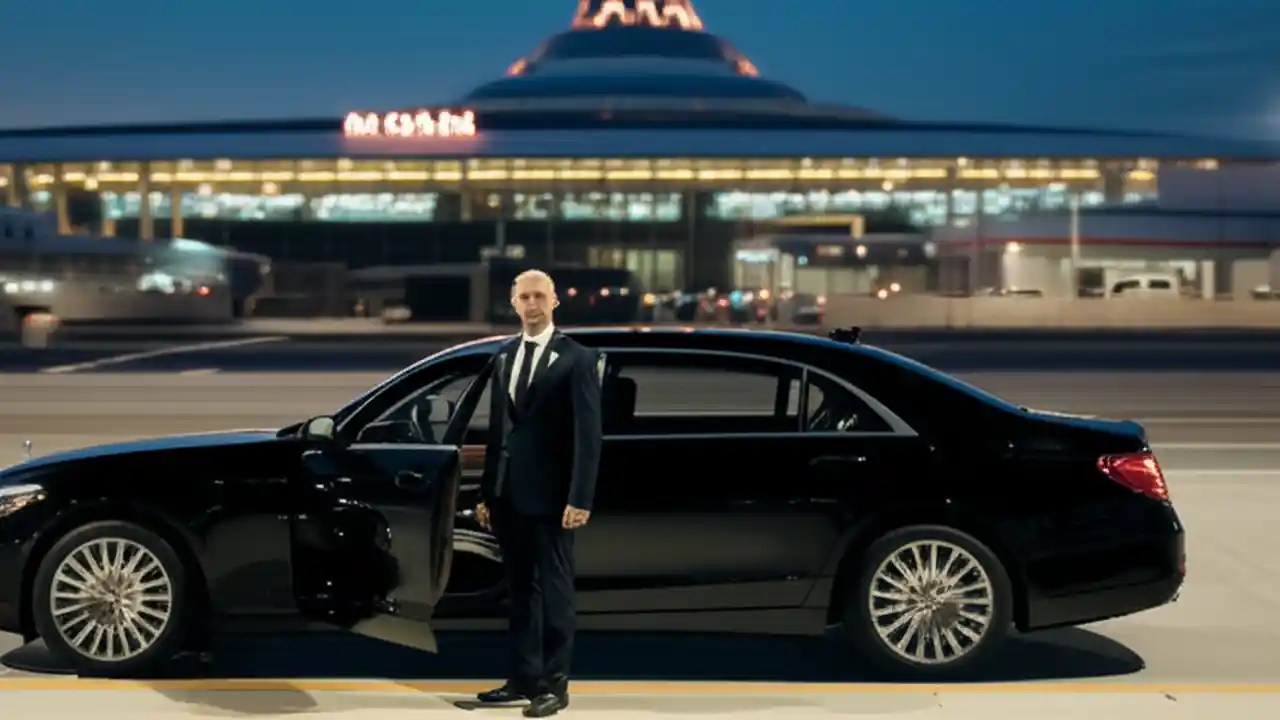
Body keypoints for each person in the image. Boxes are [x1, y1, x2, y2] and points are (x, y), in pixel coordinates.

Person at [474, 269, 602, 718]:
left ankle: (555, 684)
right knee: (521, 591)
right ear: (513, 303)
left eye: (539, 296)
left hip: (554, 498)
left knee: (556, 591)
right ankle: (523, 679)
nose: (532, 304)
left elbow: (589, 436)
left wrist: (580, 497)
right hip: (510, 496)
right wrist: (488, 492)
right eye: (524, 297)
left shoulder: (578, 358)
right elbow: (499, 431)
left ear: (554, 302)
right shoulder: (504, 356)